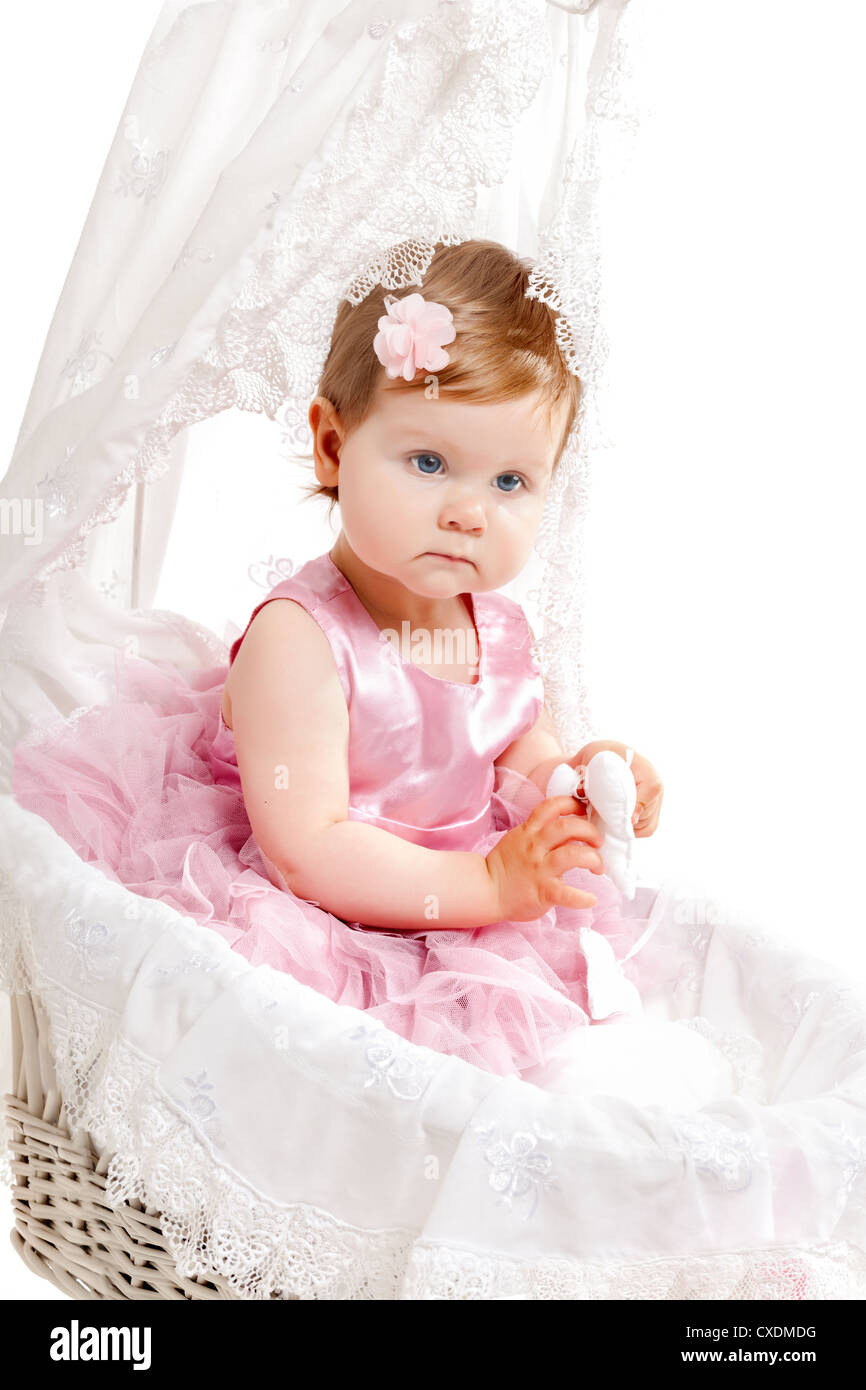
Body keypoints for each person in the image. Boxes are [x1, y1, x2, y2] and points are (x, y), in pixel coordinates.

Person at [14, 239, 731, 1096]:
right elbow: (309, 849)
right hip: (322, 916)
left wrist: (580, 784)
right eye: (429, 463)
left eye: (511, 481)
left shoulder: (496, 630)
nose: (469, 512)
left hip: (458, 911)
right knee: (329, 1073)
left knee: (565, 1042)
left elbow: (512, 751)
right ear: (331, 446)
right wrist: (487, 884)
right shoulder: (302, 640)